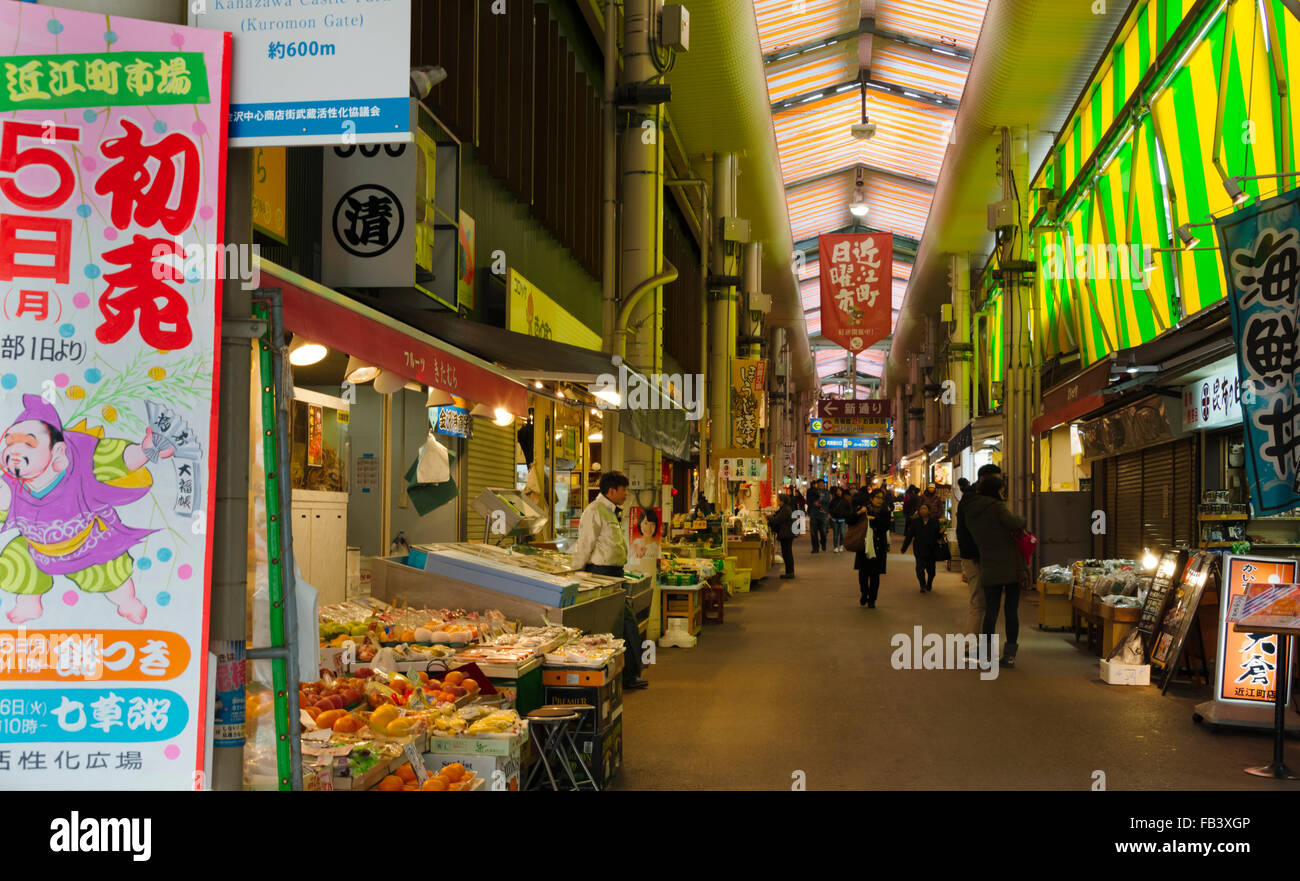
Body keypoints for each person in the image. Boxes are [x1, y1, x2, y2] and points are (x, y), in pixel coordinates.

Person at [571, 470, 649, 689]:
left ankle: (626, 674)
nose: (626, 494)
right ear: (612, 490)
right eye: (623, 490)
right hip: (600, 575)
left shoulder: (612, 512)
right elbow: (585, 543)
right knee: (625, 622)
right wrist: (576, 572)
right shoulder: (594, 511)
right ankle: (627, 675)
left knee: (621, 623)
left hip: (614, 575)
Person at [965, 475, 1028, 668]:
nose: (1003, 493)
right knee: (1011, 611)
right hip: (1010, 564)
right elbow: (1017, 523)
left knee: (991, 612)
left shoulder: (971, 510)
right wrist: (1022, 519)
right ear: (996, 490)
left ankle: (985, 655)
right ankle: (1009, 655)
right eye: (1001, 489)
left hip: (988, 563)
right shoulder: (996, 507)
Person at [956, 464, 1001, 644]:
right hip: (975, 557)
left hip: (979, 556)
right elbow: (968, 532)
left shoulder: (972, 498)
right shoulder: (974, 500)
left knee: (981, 602)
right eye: (995, 478)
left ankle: (974, 643)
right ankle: (970, 645)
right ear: (983, 479)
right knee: (978, 602)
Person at [848, 487, 893, 607]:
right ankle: (864, 593)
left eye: (882, 498)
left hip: (878, 546)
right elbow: (850, 520)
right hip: (864, 544)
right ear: (871, 498)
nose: (880, 500)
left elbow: (887, 526)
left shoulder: (885, 511)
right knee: (863, 573)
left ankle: (872, 599)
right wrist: (858, 513)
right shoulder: (864, 508)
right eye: (877, 497)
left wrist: (875, 519)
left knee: (875, 574)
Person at [901, 503, 943, 592]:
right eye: (921, 509)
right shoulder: (915, 522)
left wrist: (941, 533)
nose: (923, 510)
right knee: (919, 569)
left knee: (931, 570)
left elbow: (937, 536)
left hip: (931, 549)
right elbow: (909, 535)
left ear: (929, 511)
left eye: (925, 509)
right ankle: (922, 585)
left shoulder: (934, 522)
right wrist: (904, 548)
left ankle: (929, 582)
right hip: (919, 549)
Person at [768, 492, 796, 579]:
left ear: (782, 501)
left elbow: (778, 520)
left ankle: (790, 572)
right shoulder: (784, 508)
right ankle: (789, 572)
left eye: (778, 500)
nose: (777, 501)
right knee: (786, 552)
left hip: (786, 534)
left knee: (787, 553)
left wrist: (769, 517)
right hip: (786, 533)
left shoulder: (786, 509)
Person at [807, 478, 829, 554]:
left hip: (823, 515)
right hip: (813, 514)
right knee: (813, 533)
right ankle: (815, 548)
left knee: (823, 532)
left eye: (822, 484)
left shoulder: (826, 493)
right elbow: (808, 500)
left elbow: (827, 500)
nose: (820, 485)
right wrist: (813, 503)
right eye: (819, 484)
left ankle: (823, 542)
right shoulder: (812, 492)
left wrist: (819, 503)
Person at [829, 486, 851, 553]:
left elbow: (848, 509)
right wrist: (832, 514)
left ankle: (841, 545)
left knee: (842, 533)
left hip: (843, 519)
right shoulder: (833, 500)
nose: (838, 492)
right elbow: (830, 508)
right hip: (834, 519)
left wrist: (846, 515)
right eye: (837, 491)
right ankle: (835, 547)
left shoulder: (845, 501)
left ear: (842, 492)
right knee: (835, 534)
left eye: (839, 491)